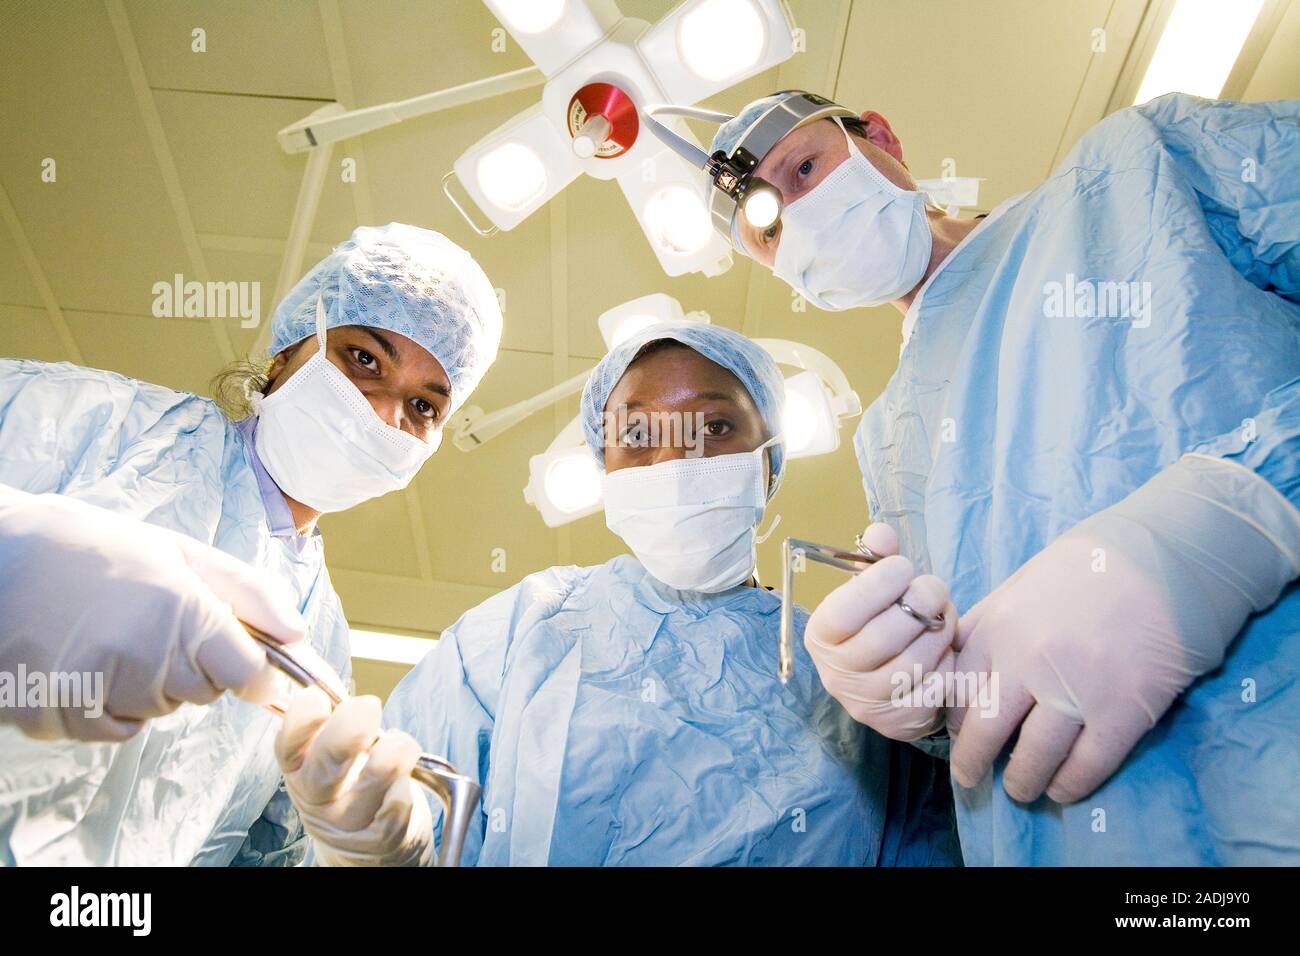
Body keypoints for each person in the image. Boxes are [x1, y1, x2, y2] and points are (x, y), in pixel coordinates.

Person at [707, 91, 1300, 864]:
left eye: (806, 168)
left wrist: (1235, 519)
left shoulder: (1135, 170)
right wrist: (918, 706)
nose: (800, 218)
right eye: (771, 229)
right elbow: (994, 711)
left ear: (880, 134)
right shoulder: (889, 445)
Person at [273, 322, 962, 866]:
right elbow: (415, 811)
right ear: (605, 466)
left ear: (770, 462)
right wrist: (378, 851)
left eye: (715, 426)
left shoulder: (853, 671)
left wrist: (949, 717)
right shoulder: (522, 632)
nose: (672, 457)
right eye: (636, 433)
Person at [0, 222, 502, 865]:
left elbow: (261, 853)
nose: (384, 413)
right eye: (365, 359)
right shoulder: (91, 424)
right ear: (285, 355)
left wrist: (366, 851)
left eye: (424, 408)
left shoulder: (319, 652)